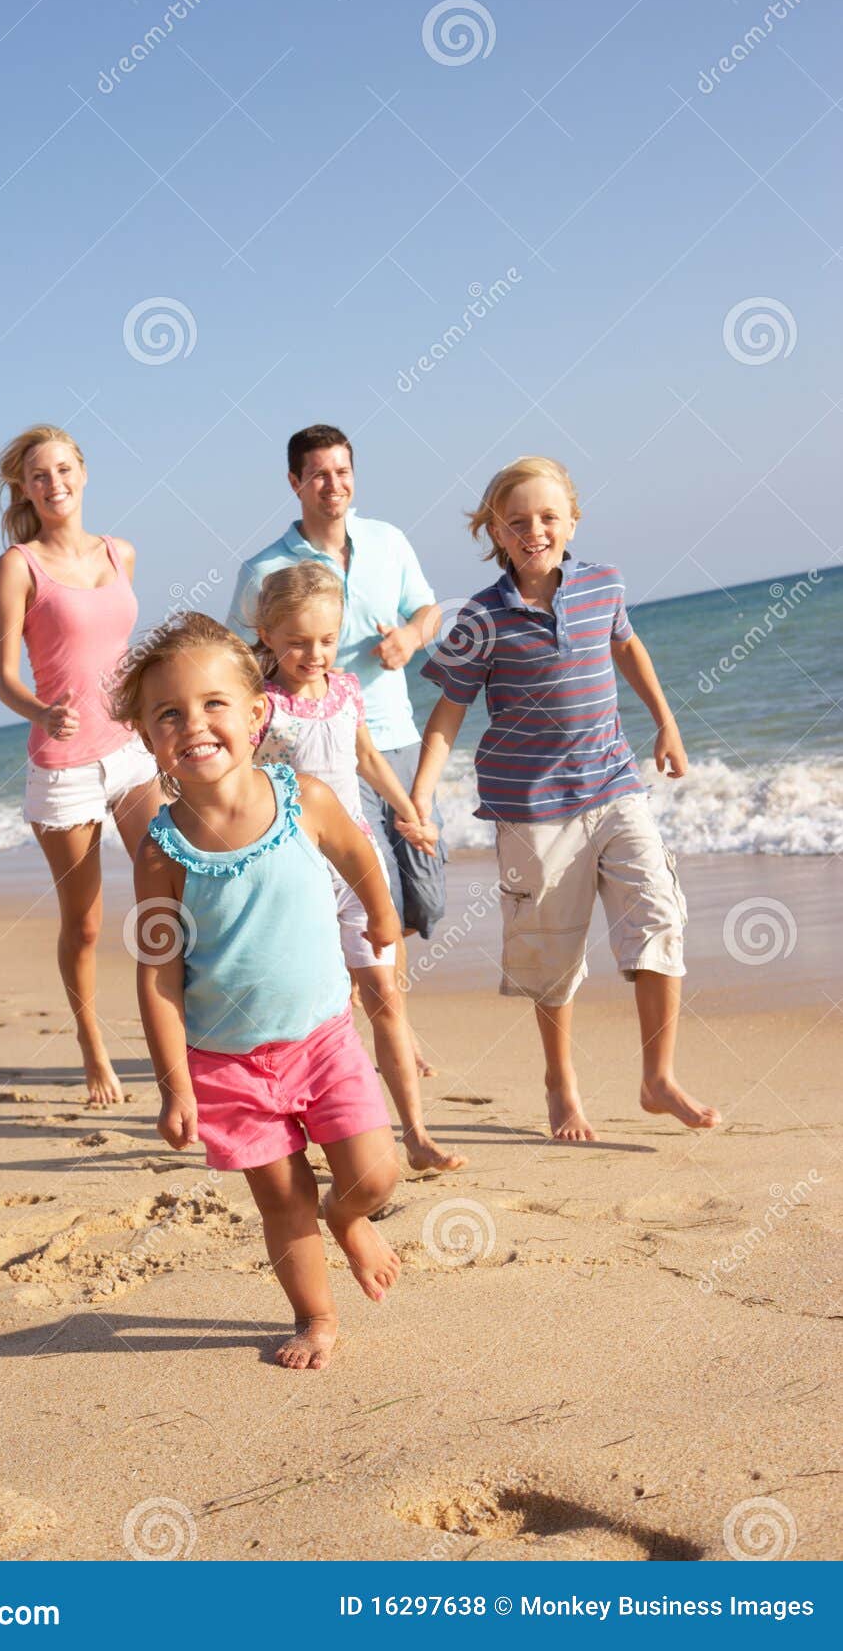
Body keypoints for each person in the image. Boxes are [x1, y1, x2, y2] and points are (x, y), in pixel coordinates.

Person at [114, 611, 402, 1371]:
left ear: (255, 712)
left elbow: (357, 853)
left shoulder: (304, 797)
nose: (194, 724)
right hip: (226, 1061)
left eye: (213, 704)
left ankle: (350, 1217)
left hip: (322, 1037)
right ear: (147, 738)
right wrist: (175, 1087)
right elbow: (158, 973)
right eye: (168, 713)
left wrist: (380, 913)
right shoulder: (161, 850)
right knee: (280, 1201)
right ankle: (316, 1316)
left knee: (375, 1173)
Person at [411, 455, 721, 1143]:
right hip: (530, 810)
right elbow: (447, 713)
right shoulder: (479, 620)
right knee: (551, 957)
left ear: (571, 520)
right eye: (517, 521)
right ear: (495, 531)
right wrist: (421, 795)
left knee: (657, 912)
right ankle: (559, 1080)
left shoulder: (602, 585)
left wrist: (665, 723)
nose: (534, 531)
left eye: (548, 517)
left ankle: (656, 1076)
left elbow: (627, 647)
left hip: (614, 785)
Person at [227, 425, 446, 1070]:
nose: (334, 485)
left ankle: (374, 999)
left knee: (414, 898)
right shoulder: (261, 569)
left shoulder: (389, 540)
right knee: (346, 896)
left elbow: (429, 608)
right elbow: (240, 658)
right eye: (319, 474)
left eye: (343, 471)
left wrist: (410, 637)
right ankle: (387, 1025)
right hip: (305, 756)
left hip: (390, 738)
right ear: (295, 483)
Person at [251, 562, 464, 1174]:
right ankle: (324, 1130)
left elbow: (367, 757)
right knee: (324, 1012)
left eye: (324, 638)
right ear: (267, 634)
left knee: (388, 1002)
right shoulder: (261, 708)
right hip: (298, 876)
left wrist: (410, 814)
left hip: (360, 864)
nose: (313, 653)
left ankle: (417, 1135)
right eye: (296, 641)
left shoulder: (346, 688)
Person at [0, 424, 159, 1107]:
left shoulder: (121, 552)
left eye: (63, 469)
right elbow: (3, 676)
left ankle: (175, 1039)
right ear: (24, 488)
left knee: (167, 901)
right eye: (39, 475)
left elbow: (128, 656)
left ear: (82, 472)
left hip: (131, 753)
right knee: (84, 923)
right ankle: (93, 1048)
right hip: (62, 766)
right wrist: (40, 712)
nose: (53, 483)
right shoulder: (18, 565)